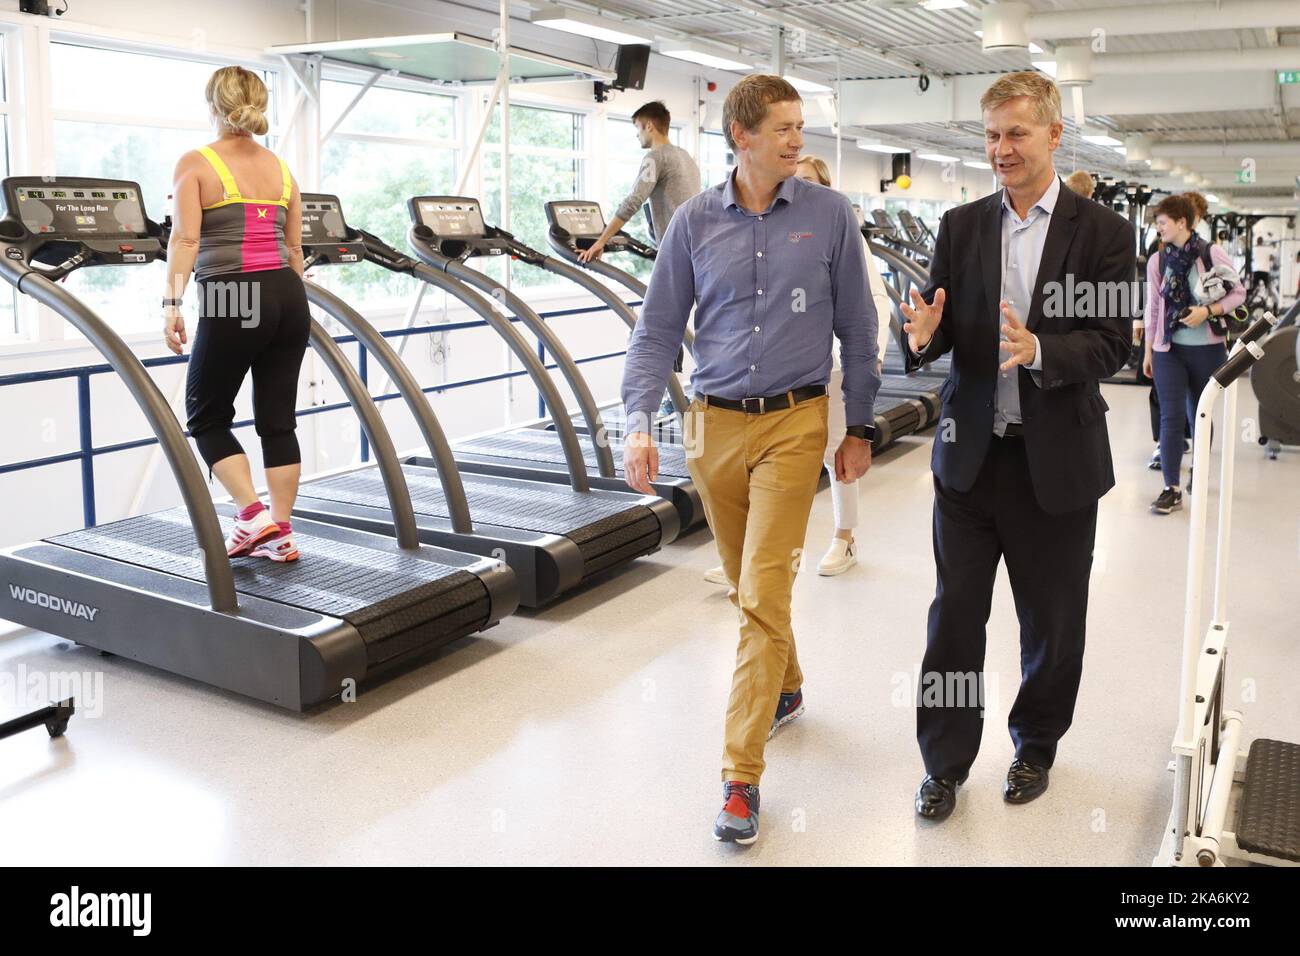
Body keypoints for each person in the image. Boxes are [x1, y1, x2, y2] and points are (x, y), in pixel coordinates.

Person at [621, 75, 880, 845]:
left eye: (801, 127)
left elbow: (860, 330)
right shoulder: (696, 223)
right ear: (741, 135)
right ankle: (789, 686)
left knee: (764, 589)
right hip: (712, 426)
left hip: (796, 424)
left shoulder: (831, 215)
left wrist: (857, 424)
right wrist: (636, 422)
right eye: (783, 129)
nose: (797, 141)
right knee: (747, 586)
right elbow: (657, 329)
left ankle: (740, 779)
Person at [900, 71, 1132, 822]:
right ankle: (944, 762)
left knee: (1052, 623)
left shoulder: (1101, 233)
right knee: (954, 621)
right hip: (970, 464)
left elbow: (1111, 345)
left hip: (1056, 465)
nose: (1001, 149)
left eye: (1016, 134)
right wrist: (922, 340)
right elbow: (937, 326)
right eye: (992, 135)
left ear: (1054, 134)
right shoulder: (963, 226)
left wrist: (1039, 351)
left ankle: (1035, 745)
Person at [702, 154, 890, 583]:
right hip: (779, 367)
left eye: (804, 181)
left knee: (833, 454)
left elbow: (872, 301)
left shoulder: (835, 225)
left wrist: (870, 357)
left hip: (834, 365)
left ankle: (844, 536)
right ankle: (751, 551)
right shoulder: (760, 230)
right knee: (757, 467)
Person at [164, 65, 309, 562]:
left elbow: (185, 239)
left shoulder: (196, 163)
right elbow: (295, 251)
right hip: (289, 296)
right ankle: (282, 531)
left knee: (206, 414)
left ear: (212, 106)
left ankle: (252, 516)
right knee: (278, 420)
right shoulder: (281, 169)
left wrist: (172, 305)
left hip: (233, 293)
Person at [1142, 194, 1245, 514]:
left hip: (1208, 349)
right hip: (1168, 350)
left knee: (1199, 414)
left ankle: (1198, 472)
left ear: (1181, 222)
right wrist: (1149, 350)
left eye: (1162, 223)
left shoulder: (1210, 253)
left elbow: (1238, 293)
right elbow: (1154, 308)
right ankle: (1170, 487)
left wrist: (1208, 311)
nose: (1158, 229)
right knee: (1171, 417)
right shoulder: (1158, 261)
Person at [578, 101, 701, 261]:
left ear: (649, 126)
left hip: (675, 248)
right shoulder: (686, 156)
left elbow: (633, 201)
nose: (637, 134)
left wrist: (600, 242)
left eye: (638, 127)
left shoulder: (655, 156)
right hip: (694, 244)